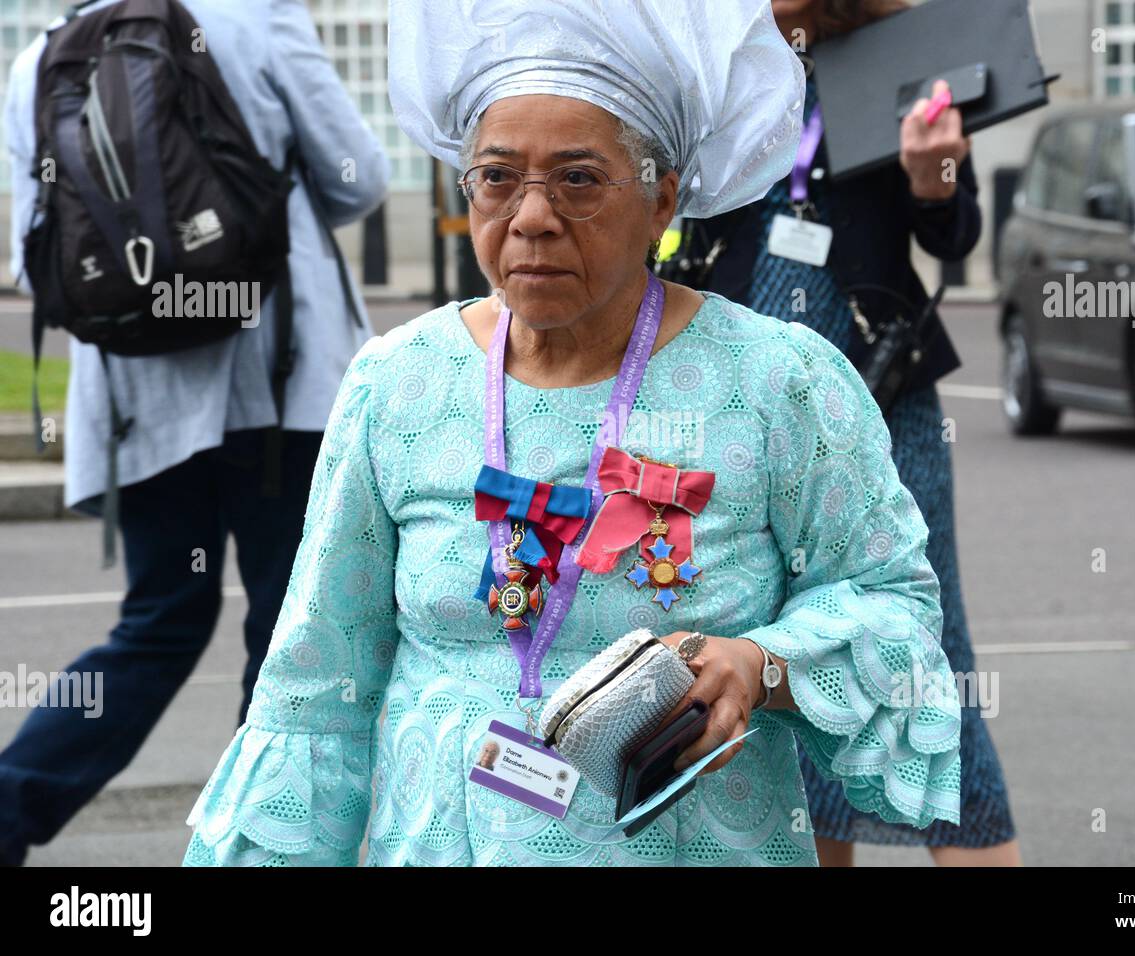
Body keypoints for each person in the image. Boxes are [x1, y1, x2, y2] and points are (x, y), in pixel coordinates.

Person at [181, 0, 964, 867]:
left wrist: (759, 664)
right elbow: (314, 693)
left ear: (665, 196)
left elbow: (893, 604)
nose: (531, 216)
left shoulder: (781, 382)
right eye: (497, 177)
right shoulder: (397, 383)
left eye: (579, 179)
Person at [0, 0, 388, 867]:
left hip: (143, 397)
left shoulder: (43, 57)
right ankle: (259, 845)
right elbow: (358, 180)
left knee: (159, 622)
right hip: (281, 382)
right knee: (291, 631)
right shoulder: (256, 18)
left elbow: (39, 247)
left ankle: (7, 811)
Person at [678, 0, 1021, 866]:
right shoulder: (722, 58)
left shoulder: (905, 49)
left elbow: (956, 231)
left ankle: (970, 830)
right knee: (773, 642)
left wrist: (934, 176)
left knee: (922, 648)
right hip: (739, 393)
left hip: (880, 383)